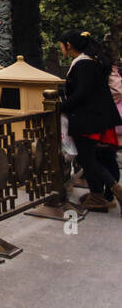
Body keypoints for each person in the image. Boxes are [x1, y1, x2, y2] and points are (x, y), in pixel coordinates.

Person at [58, 31, 122, 212]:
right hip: (95, 117)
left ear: (68, 45)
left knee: (88, 159)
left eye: (62, 45)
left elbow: (82, 93)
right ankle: (98, 196)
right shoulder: (89, 61)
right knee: (94, 158)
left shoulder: (84, 63)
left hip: (87, 119)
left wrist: (61, 107)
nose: (61, 48)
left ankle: (114, 190)